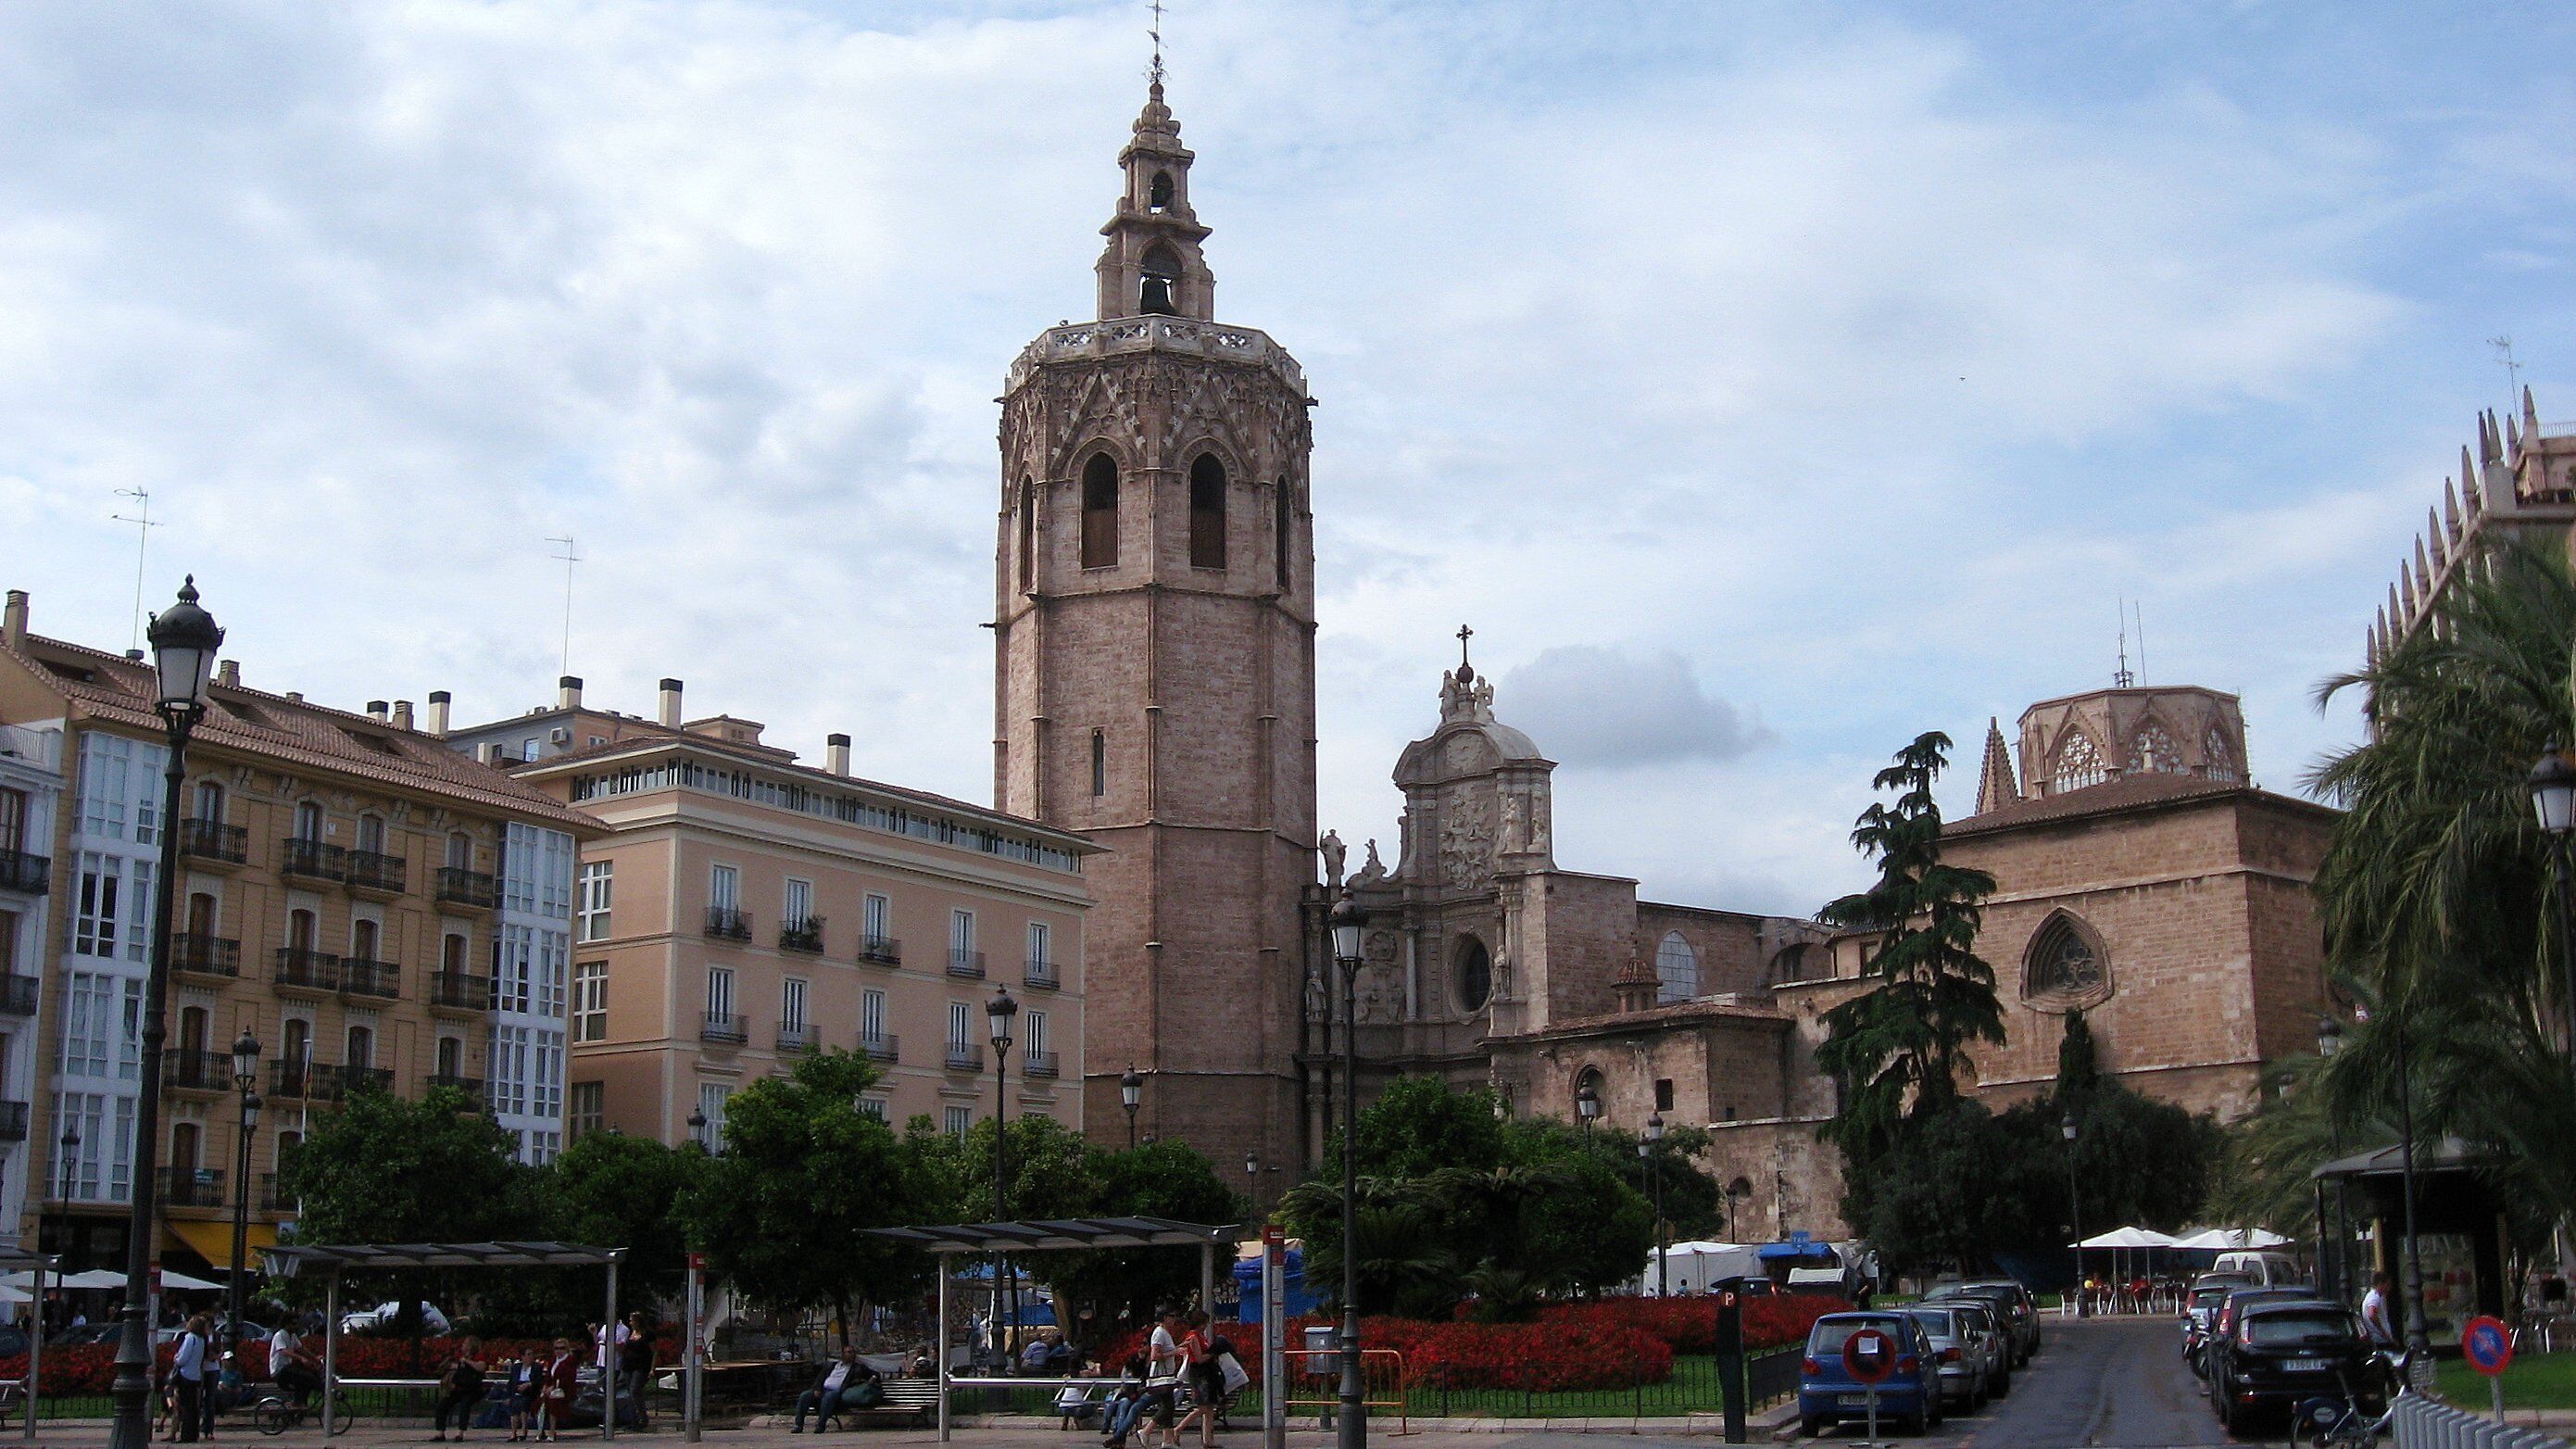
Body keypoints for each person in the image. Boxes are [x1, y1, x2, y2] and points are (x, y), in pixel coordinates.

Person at [791, 1346, 882, 1432]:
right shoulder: (832, 1366)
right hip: (823, 1390)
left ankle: (821, 1425)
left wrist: (872, 1379)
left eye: (853, 1352)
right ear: (843, 1354)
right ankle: (798, 1425)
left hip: (838, 1394)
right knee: (805, 1395)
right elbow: (820, 1379)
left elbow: (876, 1374)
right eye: (849, 1352)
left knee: (829, 1396)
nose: (852, 1354)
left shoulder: (858, 1368)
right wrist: (817, 1389)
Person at [434, 1335, 489, 1442]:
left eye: (465, 1344)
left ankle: (460, 1433)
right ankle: (440, 1432)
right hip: (460, 1387)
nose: (462, 1346)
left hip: (473, 1388)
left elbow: (481, 1367)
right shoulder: (460, 1356)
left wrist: (467, 1362)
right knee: (443, 1404)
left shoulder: (477, 1356)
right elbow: (454, 1367)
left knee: (465, 1405)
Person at [172, 1313, 212, 1443]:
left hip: (186, 1374)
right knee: (193, 1407)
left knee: (186, 1407)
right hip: (195, 1375)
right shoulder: (202, 1339)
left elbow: (183, 1358)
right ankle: (193, 1434)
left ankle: (186, 1435)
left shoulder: (190, 1338)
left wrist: (176, 1359)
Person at [267, 1322, 320, 1407]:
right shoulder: (280, 1335)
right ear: (286, 1323)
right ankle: (297, 1403)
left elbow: (301, 1349)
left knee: (309, 1380)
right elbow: (284, 1351)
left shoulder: (293, 1336)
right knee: (304, 1376)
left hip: (288, 1369)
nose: (296, 1326)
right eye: (293, 1323)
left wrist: (315, 1358)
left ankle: (300, 1403)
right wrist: (301, 1358)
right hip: (280, 1371)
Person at [537, 1337, 580, 1443]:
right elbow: (548, 1377)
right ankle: (541, 1430)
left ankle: (552, 1432)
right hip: (552, 1389)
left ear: (566, 1349)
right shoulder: (553, 1361)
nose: (559, 1351)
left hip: (564, 1391)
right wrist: (545, 1387)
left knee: (553, 1403)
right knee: (539, 1402)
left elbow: (569, 1378)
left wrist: (554, 1386)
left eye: (562, 1348)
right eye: (556, 1348)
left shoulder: (570, 1360)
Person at [619, 1314, 655, 1427]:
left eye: (632, 1321)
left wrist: (652, 1368)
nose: (631, 1323)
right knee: (630, 1392)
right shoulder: (631, 1334)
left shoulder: (648, 1334)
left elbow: (654, 1351)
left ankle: (642, 1417)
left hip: (641, 1366)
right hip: (628, 1365)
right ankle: (633, 1419)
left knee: (635, 1390)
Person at [2362, 1271, 2397, 1346]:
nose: (2389, 1288)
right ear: (2381, 1284)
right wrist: (2383, 1333)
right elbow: (2372, 1314)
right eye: (2388, 1285)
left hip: (2380, 1338)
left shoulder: (2372, 1296)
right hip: (2380, 1340)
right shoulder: (2375, 1297)